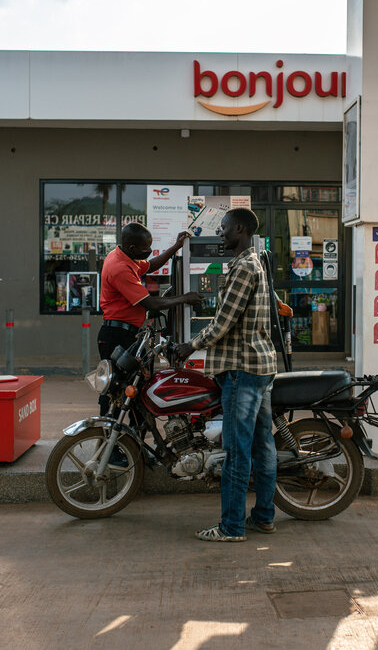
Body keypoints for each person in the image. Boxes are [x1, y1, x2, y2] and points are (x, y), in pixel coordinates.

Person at [173, 208, 277, 542]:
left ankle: (231, 527)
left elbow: (223, 323)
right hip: (258, 368)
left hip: (242, 370)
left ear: (240, 229)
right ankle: (263, 517)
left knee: (237, 451)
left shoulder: (243, 268)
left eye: (224, 228)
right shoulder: (253, 263)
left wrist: (190, 345)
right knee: (263, 447)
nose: (220, 233)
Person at [98, 223, 202, 414]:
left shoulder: (125, 256)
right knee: (117, 389)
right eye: (145, 248)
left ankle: (136, 431)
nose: (149, 251)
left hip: (128, 333)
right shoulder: (119, 267)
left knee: (138, 386)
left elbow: (151, 265)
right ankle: (109, 429)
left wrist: (176, 246)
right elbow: (150, 303)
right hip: (117, 335)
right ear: (132, 248)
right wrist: (184, 298)